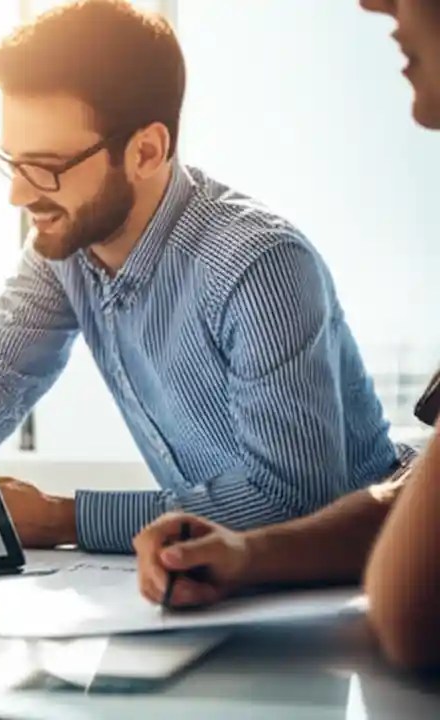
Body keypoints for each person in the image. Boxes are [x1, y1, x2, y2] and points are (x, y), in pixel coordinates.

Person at [0, 0, 407, 554]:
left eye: (47, 168)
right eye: (12, 160)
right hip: (225, 574)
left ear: (147, 151)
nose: (19, 194)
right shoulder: (66, 248)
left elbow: (291, 499)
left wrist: (63, 519)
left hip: (374, 565)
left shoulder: (258, 265)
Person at [136, 0, 440, 671]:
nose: (374, 3)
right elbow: (413, 495)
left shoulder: (257, 258)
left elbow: (412, 611)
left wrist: (67, 517)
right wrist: (251, 555)